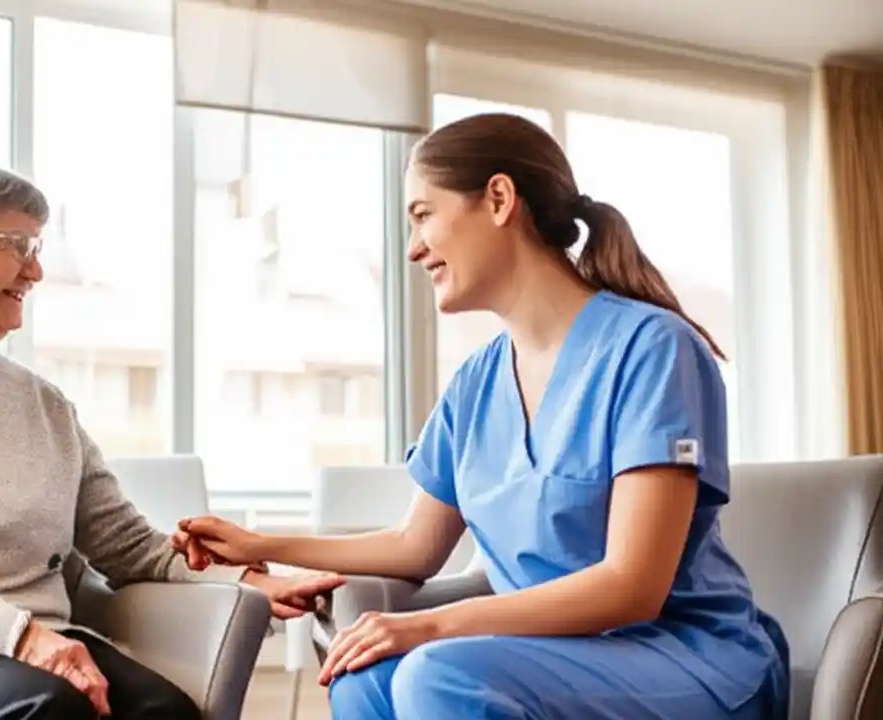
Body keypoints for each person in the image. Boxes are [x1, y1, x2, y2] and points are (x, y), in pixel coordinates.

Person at [172, 113, 790, 719]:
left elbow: (632, 584)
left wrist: (431, 626)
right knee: (363, 674)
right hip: (551, 658)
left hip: (687, 659)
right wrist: (260, 546)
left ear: (499, 198)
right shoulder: (476, 383)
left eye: (422, 216)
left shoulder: (652, 348)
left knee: (438, 673)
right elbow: (415, 548)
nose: (413, 249)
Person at [0, 159, 343, 720]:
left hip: (30, 641)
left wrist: (246, 580)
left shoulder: (42, 403)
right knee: (47, 708)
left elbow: (125, 545)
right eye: (16, 245)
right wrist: (20, 636)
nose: (36, 271)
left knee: (164, 712)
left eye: (37, 247)